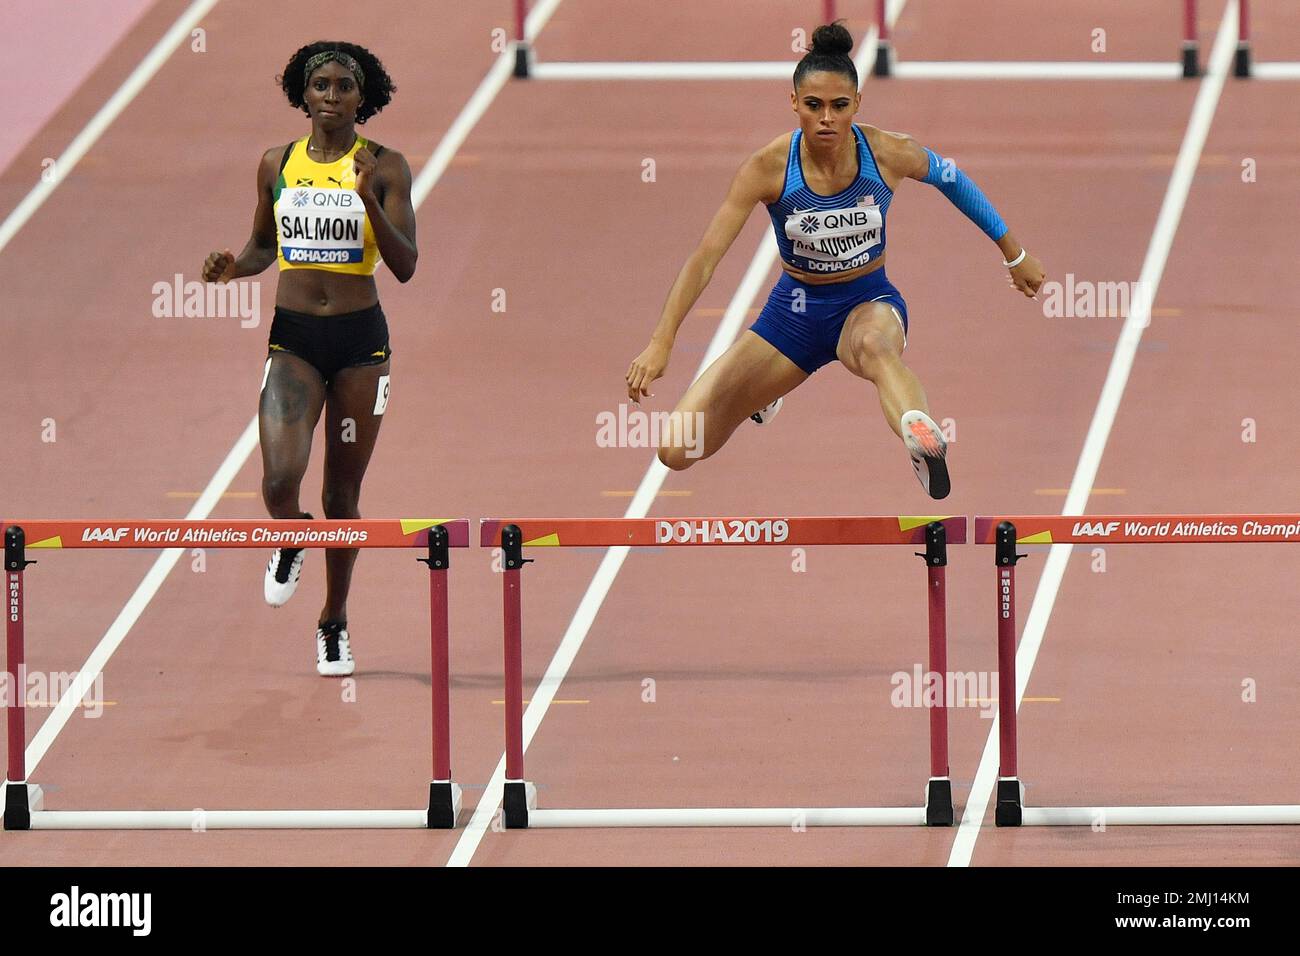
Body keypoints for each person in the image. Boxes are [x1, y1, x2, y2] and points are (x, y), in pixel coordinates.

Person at [625, 22, 1045, 499]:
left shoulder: (887, 152)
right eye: (814, 106)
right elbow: (705, 259)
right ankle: (764, 394)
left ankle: (922, 442)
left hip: (867, 301)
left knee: (875, 349)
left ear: (857, 104)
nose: (827, 118)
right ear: (794, 103)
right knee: (678, 450)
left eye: (840, 106)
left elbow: (952, 180)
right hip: (792, 317)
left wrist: (1015, 253)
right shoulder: (768, 168)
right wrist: (662, 343)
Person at [202, 42, 417, 676]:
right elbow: (263, 245)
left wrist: (368, 201)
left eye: (343, 86)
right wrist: (232, 268)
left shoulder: (386, 165)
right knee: (277, 480)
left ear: (362, 97)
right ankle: (289, 532)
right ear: (302, 95)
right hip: (294, 337)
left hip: (360, 346)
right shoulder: (277, 163)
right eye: (318, 84)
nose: (330, 94)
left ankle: (334, 622)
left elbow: (406, 265)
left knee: (342, 495)